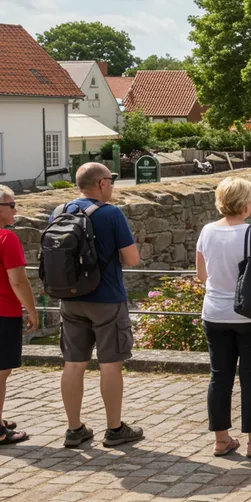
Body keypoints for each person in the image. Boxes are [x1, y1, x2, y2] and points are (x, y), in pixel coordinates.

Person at [54, 163, 143, 448]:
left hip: (69, 298)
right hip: (106, 299)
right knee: (110, 365)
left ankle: (74, 428)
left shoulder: (59, 211)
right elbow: (132, 259)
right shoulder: (111, 213)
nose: (114, 185)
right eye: (112, 180)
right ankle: (115, 429)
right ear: (102, 183)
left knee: (73, 364)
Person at [196, 177, 251, 457]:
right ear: (246, 203)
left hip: (215, 313)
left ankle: (222, 439)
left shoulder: (207, 231)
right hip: (249, 315)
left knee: (219, 376)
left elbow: (201, 275)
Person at [0, 185, 38, 446]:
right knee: (1, 373)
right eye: (12, 205)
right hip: (3, 313)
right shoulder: (7, 238)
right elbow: (18, 281)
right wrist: (32, 310)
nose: (16, 209)